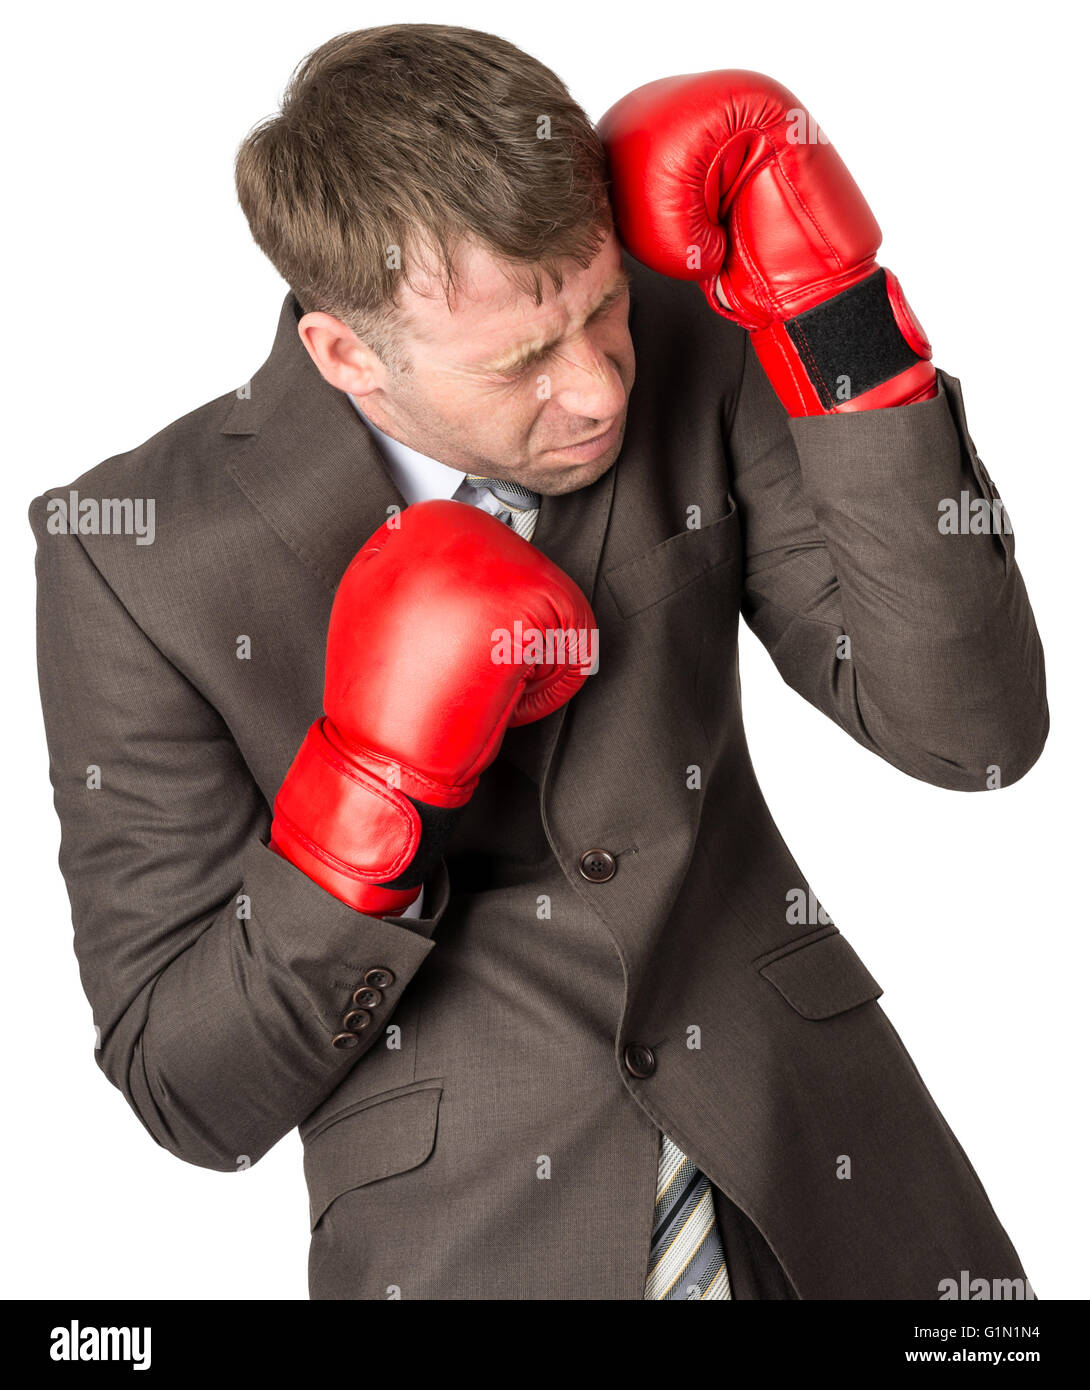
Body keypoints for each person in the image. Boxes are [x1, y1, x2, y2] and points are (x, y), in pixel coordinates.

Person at [30, 25, 1047, 1300]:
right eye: (521, 361)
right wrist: (361, 807)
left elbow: (974, 733)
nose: (597, 390)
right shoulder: (136, 554)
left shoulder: (690, 343)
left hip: (837, 1181)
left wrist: (840, 323)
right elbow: (189, 1091)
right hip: (466, 1246)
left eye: (603, 303)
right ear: (349, 355)